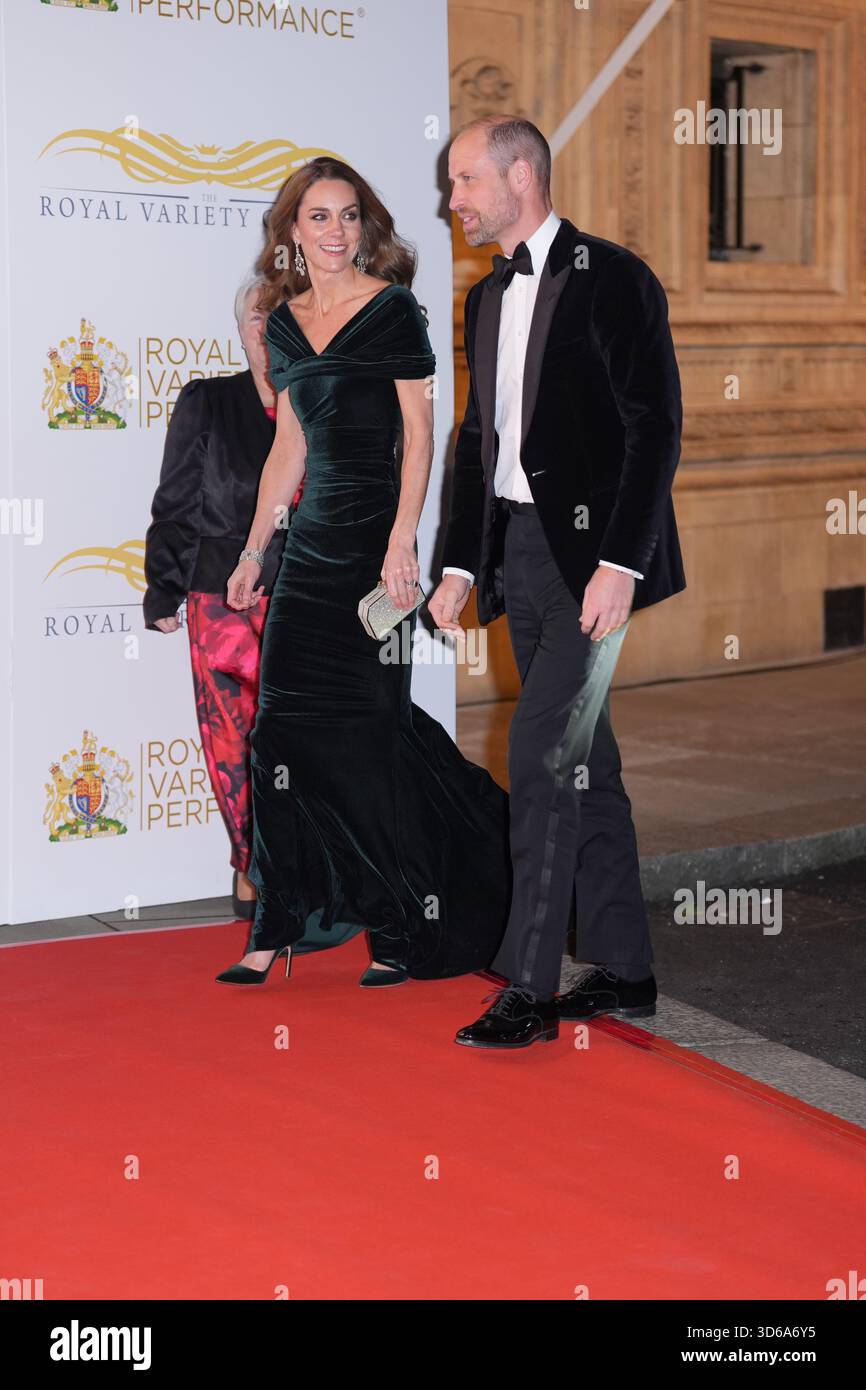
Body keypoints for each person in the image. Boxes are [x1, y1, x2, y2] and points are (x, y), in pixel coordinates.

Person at [214, 156, 511, 991]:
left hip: (375, 552)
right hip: (308, 551)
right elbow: (289, 448)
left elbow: (420, 434)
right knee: (280, 735)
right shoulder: (281, 322)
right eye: (319, 218)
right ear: (292, 233)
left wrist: (403, 541)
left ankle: (395, 923)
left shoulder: (391, 311)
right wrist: (252, 550)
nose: (336, 232)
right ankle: (275, 925)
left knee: (372, 744)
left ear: (364, 225)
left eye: (349, 216)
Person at [429, 116, 685, 1050]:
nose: (452, 200)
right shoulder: (484, 297)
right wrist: (459, 562)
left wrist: (622, 563)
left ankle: (529, 988)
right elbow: (476, 442)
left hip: (592, 565)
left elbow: (654, 428)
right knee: (588, 761)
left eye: (463, 180)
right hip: (519, 558)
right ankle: (624, 967)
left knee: (540, 757)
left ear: (521, 174)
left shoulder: (615, 277)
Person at [143, 279, 309, 924]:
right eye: (257, 317)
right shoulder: (207, 401)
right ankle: (253, 863)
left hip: (309, 599)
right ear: (241, 328)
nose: (268, 330)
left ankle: (308, 868)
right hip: (224, 604)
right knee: (235, 743)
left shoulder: (322, 405)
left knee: (304, 743)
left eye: (282, 316)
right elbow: (176, 499)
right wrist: (164, 582)